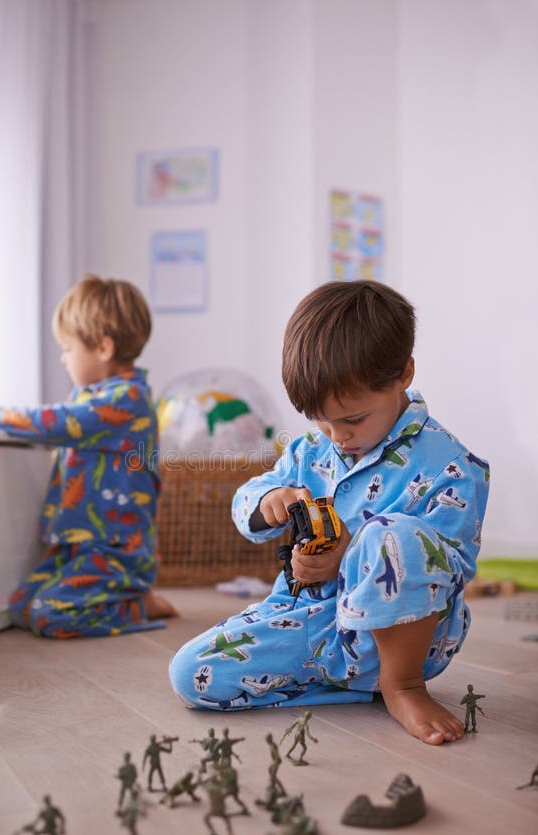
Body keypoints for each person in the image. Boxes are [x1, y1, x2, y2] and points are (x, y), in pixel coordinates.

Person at [169, 279, 490, 746]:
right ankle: (351, 688)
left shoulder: (453, 467)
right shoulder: (308, 452)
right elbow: (246, 505)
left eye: (353, 419)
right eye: (320, 420)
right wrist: (269, 503)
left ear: (404, 373)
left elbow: (451, 568)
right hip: (314, 621)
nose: (336, 436)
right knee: (189, 675)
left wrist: (349, 557)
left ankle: (400, 686)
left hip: (404, 639)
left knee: (393, 535)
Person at [0, 275, 176, 637]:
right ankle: (124, 599)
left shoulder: (126, 401)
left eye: (68, 349)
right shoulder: (92, 398)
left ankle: (134, 604)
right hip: (75, 548)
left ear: (103, 348)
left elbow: (51, 422)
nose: (64, 359)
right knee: (20, 606)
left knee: (48, 616)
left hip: (114, 553)